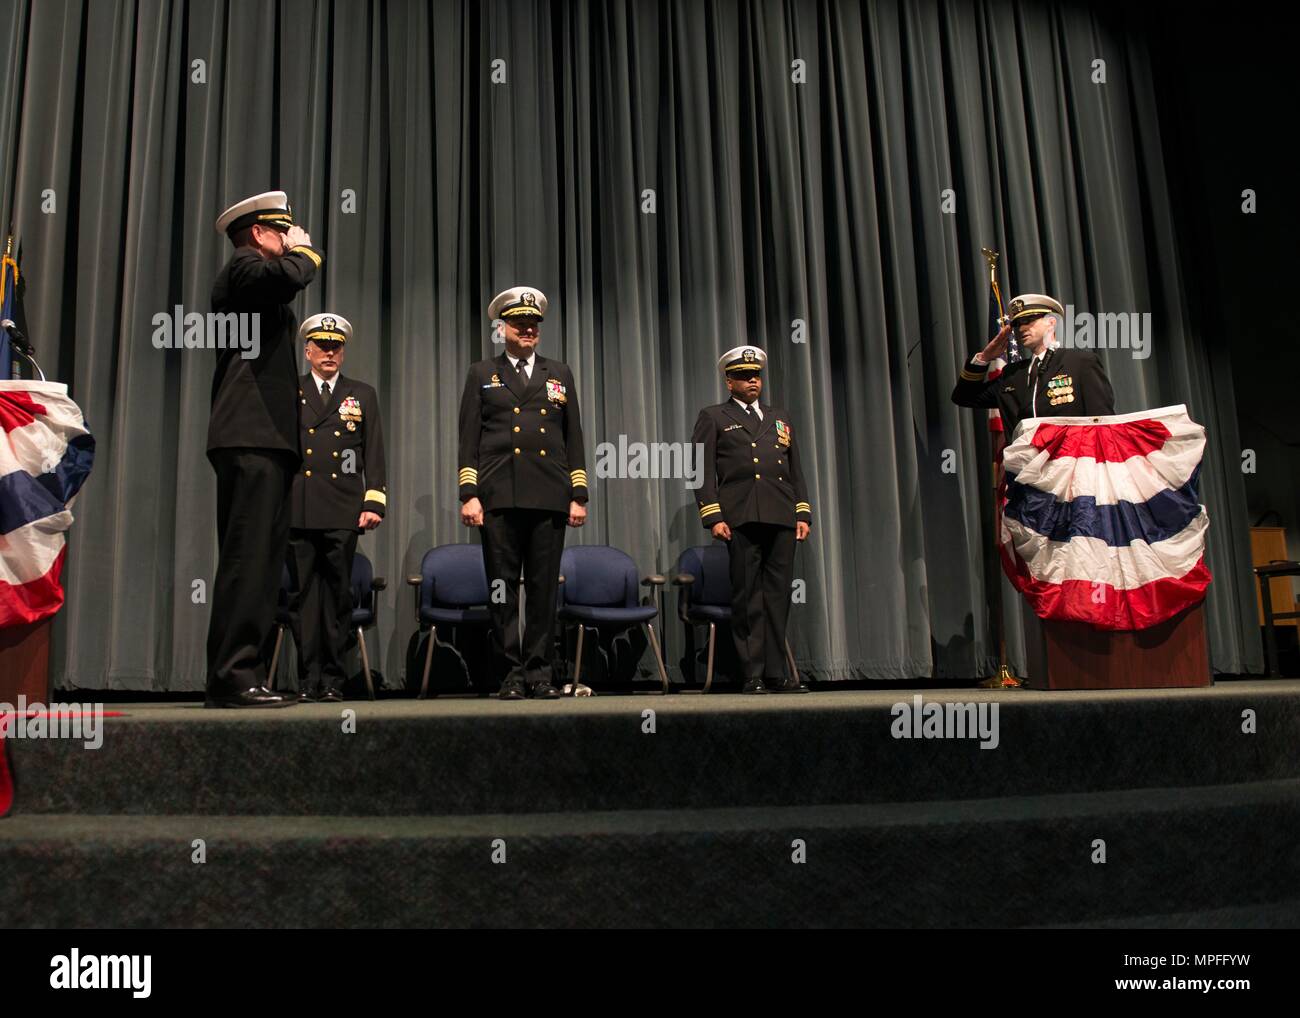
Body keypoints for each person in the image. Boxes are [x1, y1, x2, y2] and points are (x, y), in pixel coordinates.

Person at [205, 190, 323, 708]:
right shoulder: (244, 271)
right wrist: (307, 254)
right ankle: (233, 675)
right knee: (247, 558)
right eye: (283, 230)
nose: (290, 238)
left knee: (259, 560)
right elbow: (286, 277)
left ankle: (238, 673)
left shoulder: (257, 280)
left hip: (266, 439)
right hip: (249, 435)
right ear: (258, 233)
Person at [457, 287, 588, 700]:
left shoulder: (559, 373)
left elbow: (574, 437)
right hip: (499, 495)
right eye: (519, 324)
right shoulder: (482, 373)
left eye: (533, 324)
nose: (528, 329)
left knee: (544, 590)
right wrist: (469, 492)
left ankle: (540, 674)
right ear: (503, 329)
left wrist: (578, 493)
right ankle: (510, 676)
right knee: (503, 589)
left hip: (549, 495)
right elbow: (468, 439)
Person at [693, 346, 812, 693]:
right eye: (744, 376)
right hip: (741, 516)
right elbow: (700, 470)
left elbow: (795, 469)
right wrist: (712, 514)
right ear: (729, 382)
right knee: (748, 597)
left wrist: (801, 511)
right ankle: (752, 674)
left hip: (781, 515)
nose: (752, 381)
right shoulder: (713, 416)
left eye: (756, 375)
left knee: (777, 596)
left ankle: (776, 672)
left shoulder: (780, 417)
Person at [285, 313, 387, 701]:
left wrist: (374, 498)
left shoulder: (361, 394)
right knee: (301, 597)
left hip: (342, 507)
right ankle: (307, 678)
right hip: (299, 506)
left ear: (343, 352)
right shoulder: (289, 391)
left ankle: (332, 678)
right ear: (307, 350)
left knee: (338, 594)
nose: (329, 352)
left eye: (336, 346)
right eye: (322, 346)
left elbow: (373, 449)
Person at [951, 292, 1114, 436]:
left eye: (1029, 320)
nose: (1022, 328)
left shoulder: (1079, 363)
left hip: (1070, 465)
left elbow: (1102, 423)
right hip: (1024, 468)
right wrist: (984, 358)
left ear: (1051, 322)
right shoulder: (1012, 374)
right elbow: (964, 397)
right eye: (1017, 324)